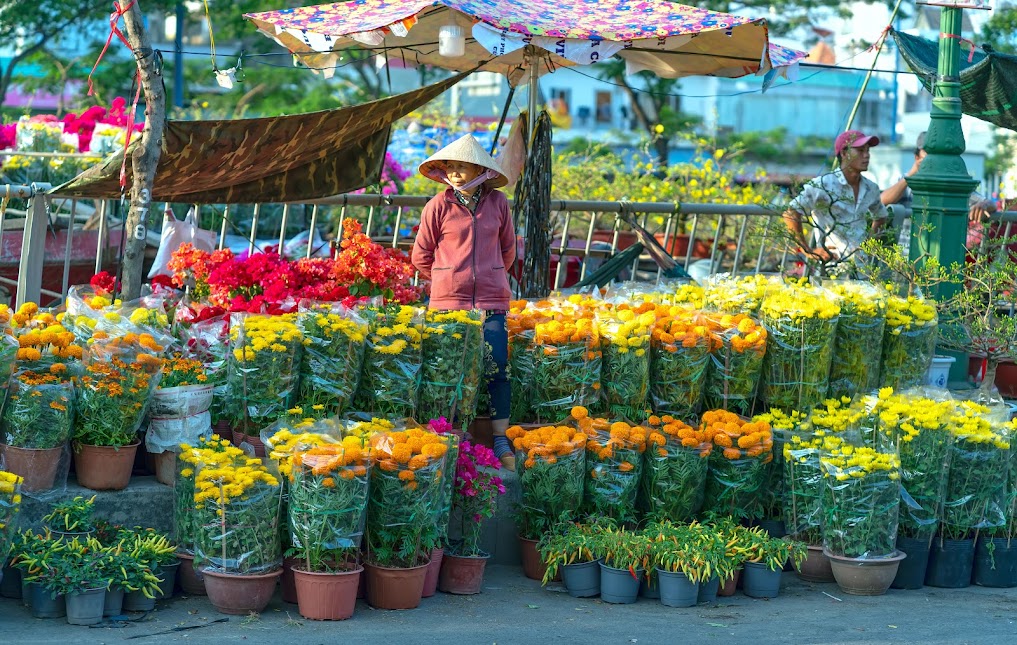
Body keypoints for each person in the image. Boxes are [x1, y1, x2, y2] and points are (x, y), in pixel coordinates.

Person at [411, 134, 517, 470]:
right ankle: (455, 437)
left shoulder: (499, 203)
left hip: (492, 301)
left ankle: (500, 438)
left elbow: (508, 250)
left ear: (480, 170)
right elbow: (420, 255)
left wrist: (492, 275)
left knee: (496, 368)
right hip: (448, 306)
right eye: (452, 167)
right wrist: (447, 278)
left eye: (463, 166)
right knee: (451, 371)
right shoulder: (437, 206)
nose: (456, 173)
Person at [783, 130, 889, 264]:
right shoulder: (823, 184)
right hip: (830, 265)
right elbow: (790, 212)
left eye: (868, 151)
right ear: (844, 153)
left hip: (862, 266)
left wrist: (869, 245)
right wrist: (807, 250)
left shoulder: (870, 188)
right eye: (861, 151)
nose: (866, 155)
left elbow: (881, 216)